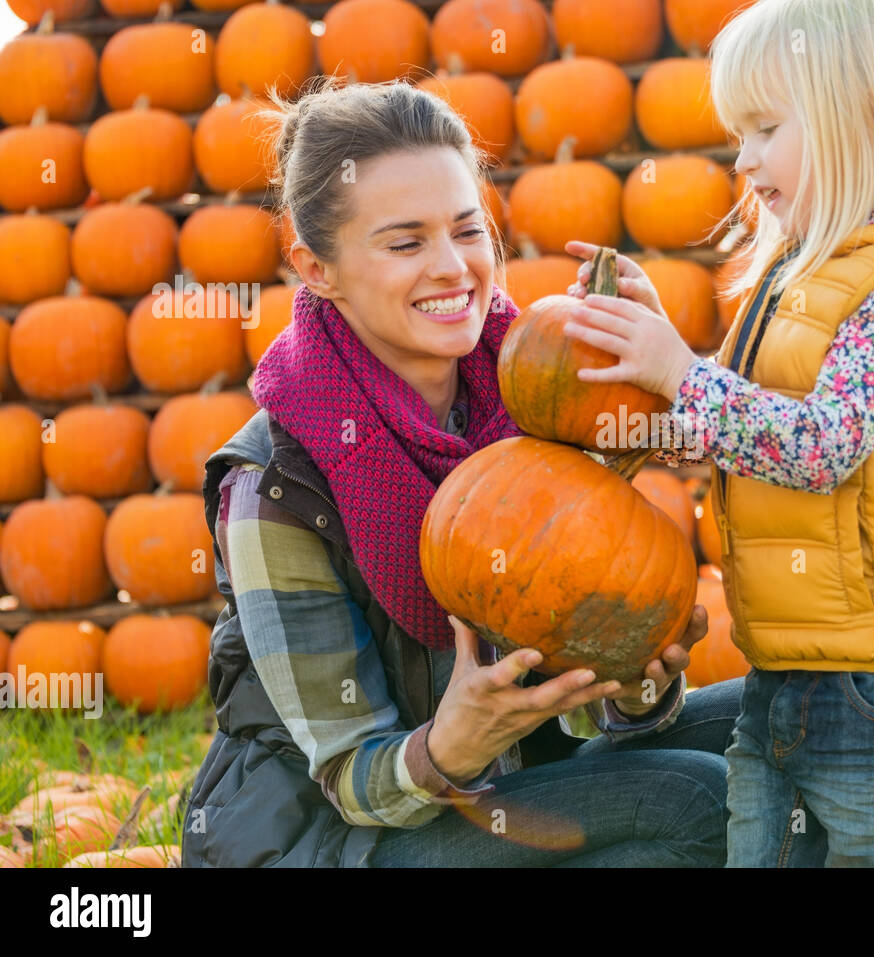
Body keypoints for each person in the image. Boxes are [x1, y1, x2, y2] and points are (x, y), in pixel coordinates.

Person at [181, 78, 742, 868]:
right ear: (317, 267)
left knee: (782, 719)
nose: (453, 268)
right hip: (344, 839)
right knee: (696, 801)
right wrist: (454, 738)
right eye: (405, 243)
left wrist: (634, 678)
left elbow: (592, 715)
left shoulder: (533, 410)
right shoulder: (278, 484)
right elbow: (351, 778)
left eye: (468, 230)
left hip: (504, 793)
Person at [561, 0, 874, 866]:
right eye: (739, 132)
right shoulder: (801, 284)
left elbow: (818, 446)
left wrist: (681, 372)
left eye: (765, 127)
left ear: (859, 118)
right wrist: (663, 370)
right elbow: (745, 429)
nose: (744, 158)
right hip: (792, 666)